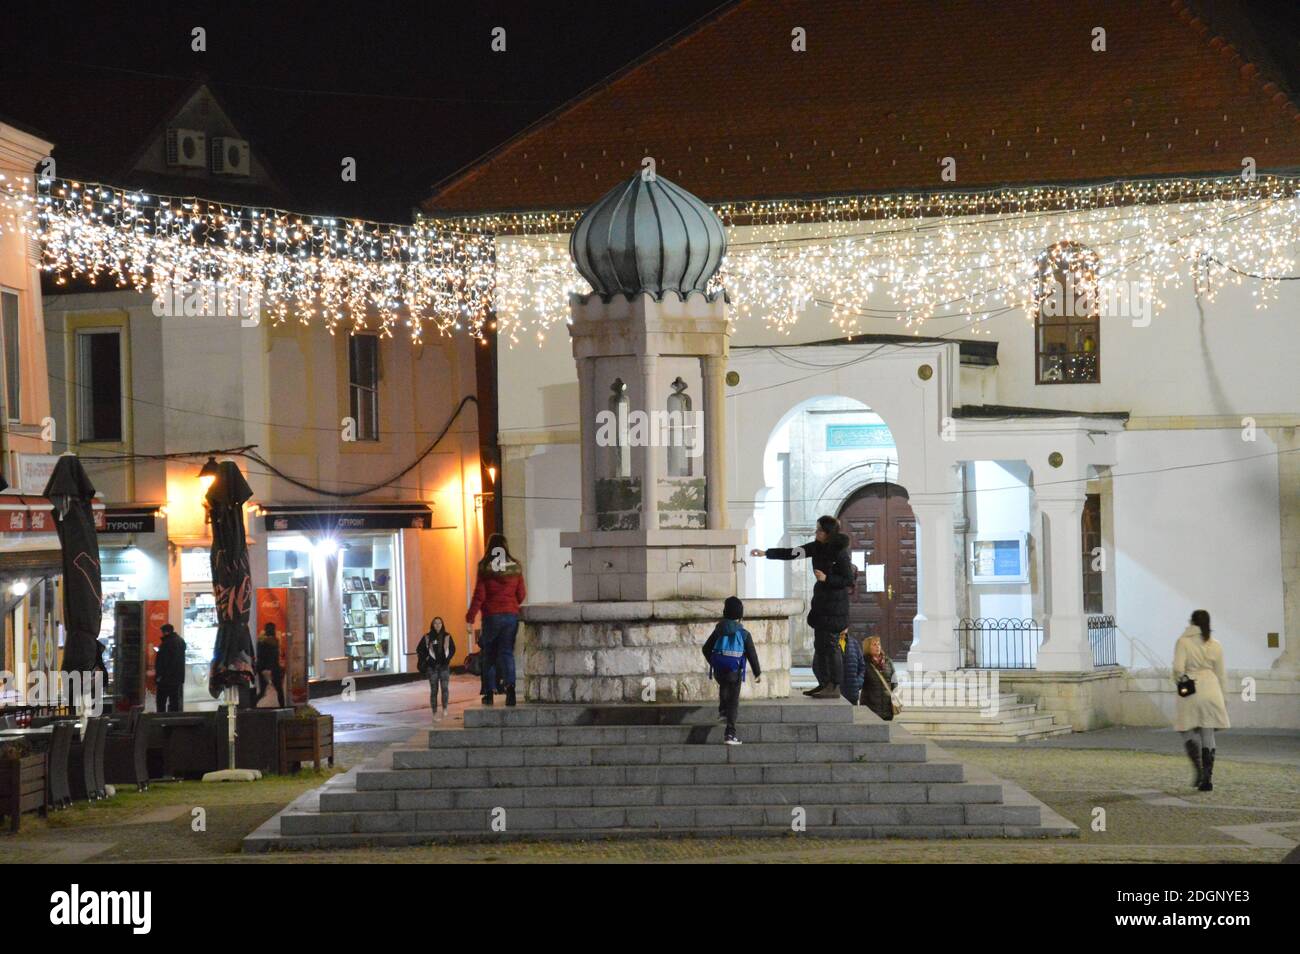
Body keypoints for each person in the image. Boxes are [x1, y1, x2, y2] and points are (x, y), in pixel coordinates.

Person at [751, 514, 854, 699]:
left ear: (828, 533)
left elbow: (848, 579)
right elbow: (792, 552)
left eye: (819, 530)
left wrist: (827, 578)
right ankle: (823, 683)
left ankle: (834, 685)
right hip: (822, 606)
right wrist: (766, 553)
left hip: (835, 608)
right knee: (821, 646)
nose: (816, 533)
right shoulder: (816, 547)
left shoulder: (839, 552)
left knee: (831, 647)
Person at [466, 533, 527, 707]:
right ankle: (510, 690)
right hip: (510, 617)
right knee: (507, 653)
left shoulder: (485, 567)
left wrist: (470, 616)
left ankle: (489, 692)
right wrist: (511, 605)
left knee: (489, 655)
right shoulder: (515, 567)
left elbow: (480, 595)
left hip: (491, 617)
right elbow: (521, 594)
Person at [1173, 609, 1229, 792]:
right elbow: (1221, 674)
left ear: (1191, 622)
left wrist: (1179, 681)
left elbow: (1178, 669)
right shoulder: (1215, 644)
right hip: (1212, 689)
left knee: (1185, 729)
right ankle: (1207, 778)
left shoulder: (1183, 642)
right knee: (1208, 732)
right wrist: (1224, 697)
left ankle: (1197, 766)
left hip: (1191, 689)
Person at [702, 596, 762, 745]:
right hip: (734, 671)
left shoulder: (718, 630)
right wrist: (757, 672)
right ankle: (730, 733)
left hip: (719, 670)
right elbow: (751, 654)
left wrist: (714, 662)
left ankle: (722, 710)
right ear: (740, 616)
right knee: (734, 700)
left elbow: (705, 648)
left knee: (723, 685)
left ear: (724, 613)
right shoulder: (744, 634)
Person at [416, 617, 456, 721]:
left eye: (439, 623)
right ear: (432, 625)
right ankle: (434, 712)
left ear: (442, 624)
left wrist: (448, 658)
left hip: (444, 667)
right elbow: (419, 649)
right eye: (435, 623)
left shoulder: (447, 636)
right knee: (434, 690)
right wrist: (427, 658)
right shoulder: (427, 637)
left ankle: (445, 708)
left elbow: (452, 649)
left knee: (445, 688)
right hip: (432, 668)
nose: (437, 625)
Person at [859, 636, 898, 721]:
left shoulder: (888, 662)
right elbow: (860, 682)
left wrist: (894, 694)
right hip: (870, 707)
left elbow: (894, 681)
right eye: (874, 644)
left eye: (879, 644)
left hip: (887, 708)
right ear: (868, 648)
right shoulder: (864, 663)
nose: (878, 647)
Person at [154, 623, 186, 713]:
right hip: (178, 678)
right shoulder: (180, 641)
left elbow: (163, 662)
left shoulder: (167, 643)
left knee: (161, 701)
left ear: (166, 632)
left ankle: (161, 721)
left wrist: (159, 676)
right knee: (175, 702)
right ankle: (174, 721)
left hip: (166, 679)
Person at [255, 622, 286, 708]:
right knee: (279, 690)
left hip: (262, 668)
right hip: (272, 669)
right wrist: (270, 669)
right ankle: (283, 708)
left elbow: (260, 656)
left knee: (262, 692)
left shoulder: (260, 641)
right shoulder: (274, 642)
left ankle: (252, 705)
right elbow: (272, 657)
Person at [839, 629, 866, 705]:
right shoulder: (829, 643)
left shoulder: (854, 643)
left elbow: (862, 666)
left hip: (852, 694)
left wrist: (858, 683)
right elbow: (818, 666)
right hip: (835, 694)